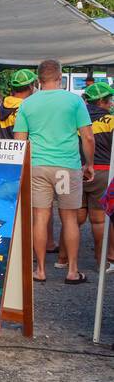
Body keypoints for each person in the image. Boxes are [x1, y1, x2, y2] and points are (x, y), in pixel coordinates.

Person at [14, 59, 94, 284]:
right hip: (67, 166)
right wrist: (89, 164)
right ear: (60, 78)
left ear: (38, 80)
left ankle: (40, 270)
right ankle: (72, 270)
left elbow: (19, 140)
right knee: (69, 218)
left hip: (38, 166)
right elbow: (87, 136)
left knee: (40, 217)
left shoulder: (27, 104)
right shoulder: (74, 101)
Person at [80, 81, 114, 272]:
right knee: (100, 220)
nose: (111, 103)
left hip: (78, 170)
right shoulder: (111, 121)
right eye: (109, 99)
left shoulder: (78, 119)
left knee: (73, 219)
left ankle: (64, 258)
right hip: (104, 172)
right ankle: (104, 260)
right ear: (101, 101)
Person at [0, 69, 37, 138]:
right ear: (31, 86)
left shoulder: (1, 108)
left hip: (0, 148)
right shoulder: (25, 110)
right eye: (34, 84)